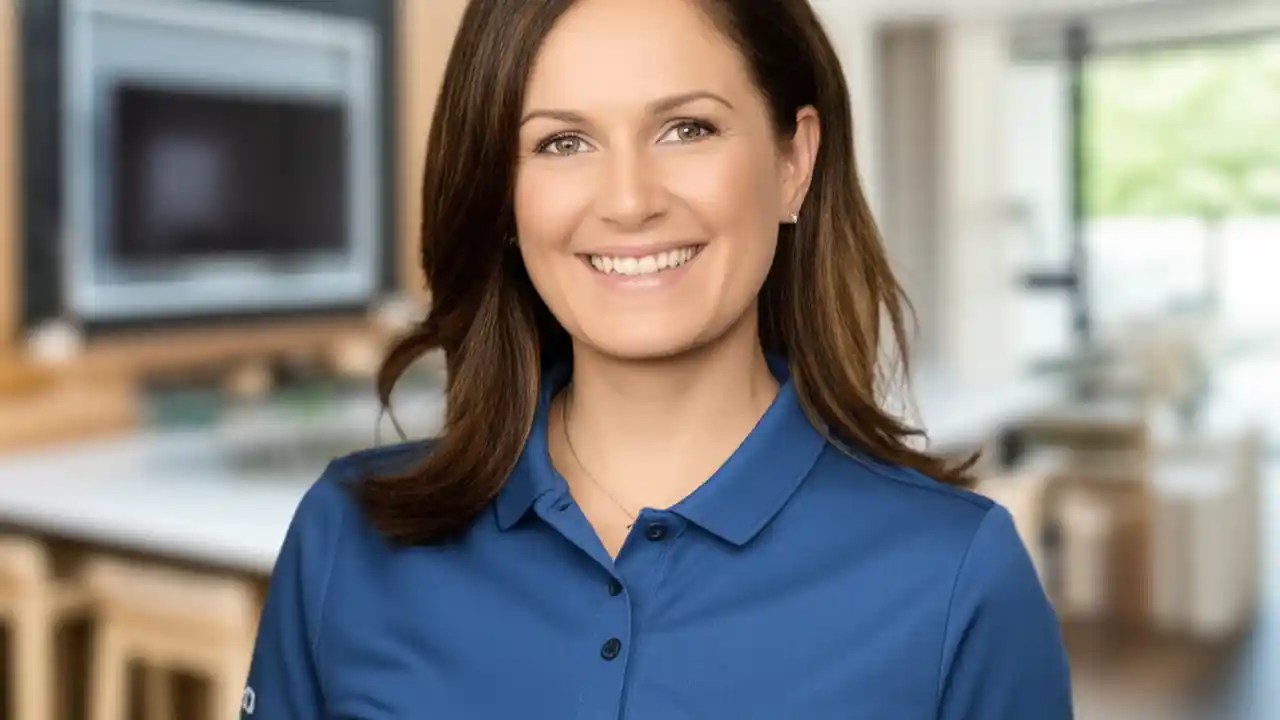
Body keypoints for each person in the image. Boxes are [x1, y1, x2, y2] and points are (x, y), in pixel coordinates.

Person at [240, 0, 1074, 717]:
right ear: (502, 194)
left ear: (793, 162)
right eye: (564, 143)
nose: (631, 201)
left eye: (687, 128)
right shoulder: (345, 539)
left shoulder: (958, 579)